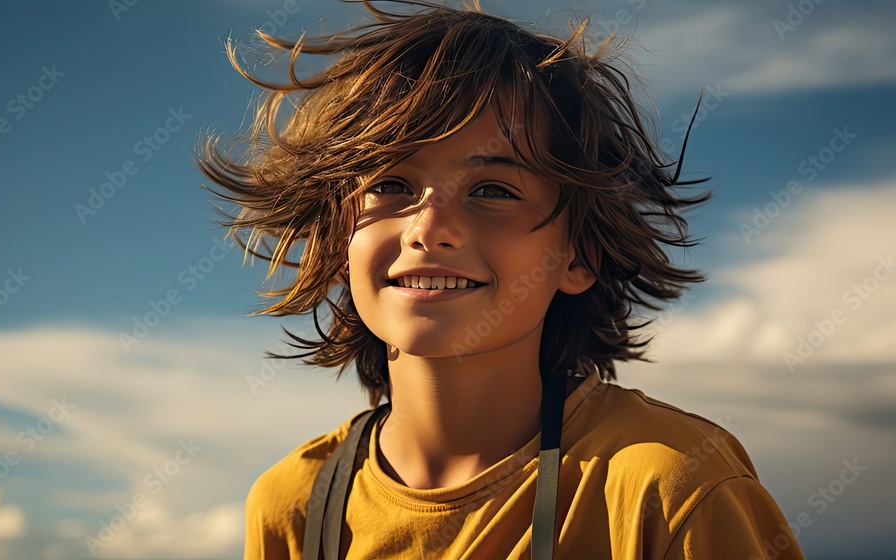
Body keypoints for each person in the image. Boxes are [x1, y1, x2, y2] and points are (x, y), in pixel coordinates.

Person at [196, 1, 806, 558]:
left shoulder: (667, 489)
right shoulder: (294, 507)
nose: (429, 228)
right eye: (390, 185)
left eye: (493, 190)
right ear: (336, 242)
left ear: (579, 257)